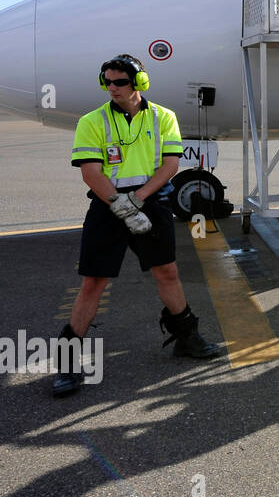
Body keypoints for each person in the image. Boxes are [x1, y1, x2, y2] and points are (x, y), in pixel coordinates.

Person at [54, 55, 222, 396]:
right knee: (93, 282)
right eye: (108, 82)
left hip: (151, 202)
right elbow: (90, 171)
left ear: (139, 83)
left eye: (120, 82)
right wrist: (119, 204)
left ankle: (187, 337)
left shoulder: (163, 117)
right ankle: (69, 363)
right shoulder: (92, 121)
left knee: (167, 273)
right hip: (107, 206)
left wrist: (138, 200)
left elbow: (170, 164)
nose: (112, 88)